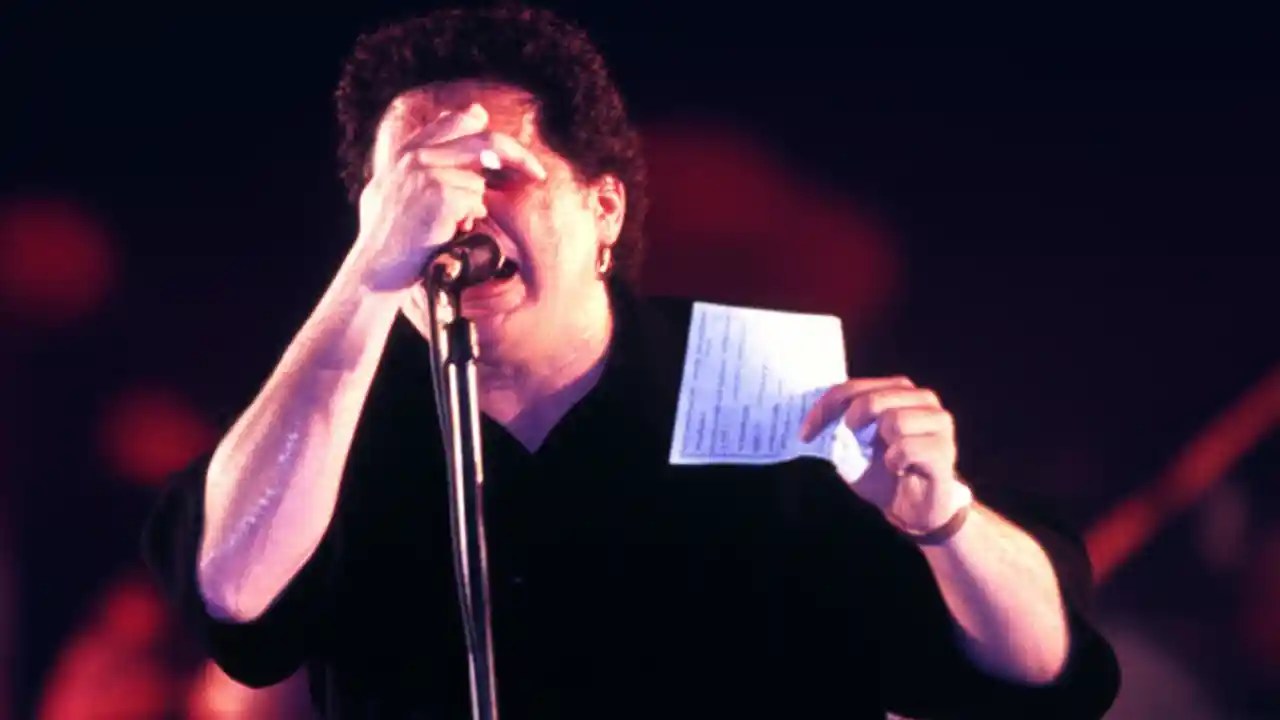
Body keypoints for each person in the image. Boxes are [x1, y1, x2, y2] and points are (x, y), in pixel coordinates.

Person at [141, 4, 1121, 718]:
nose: (454, 215)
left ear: (600, 208)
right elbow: (232, 598)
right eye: (413, 187)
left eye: (495, 175)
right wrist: (368, 272)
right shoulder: (328, 425)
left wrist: (943, 521)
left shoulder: (762, 381)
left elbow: (1039, 669)